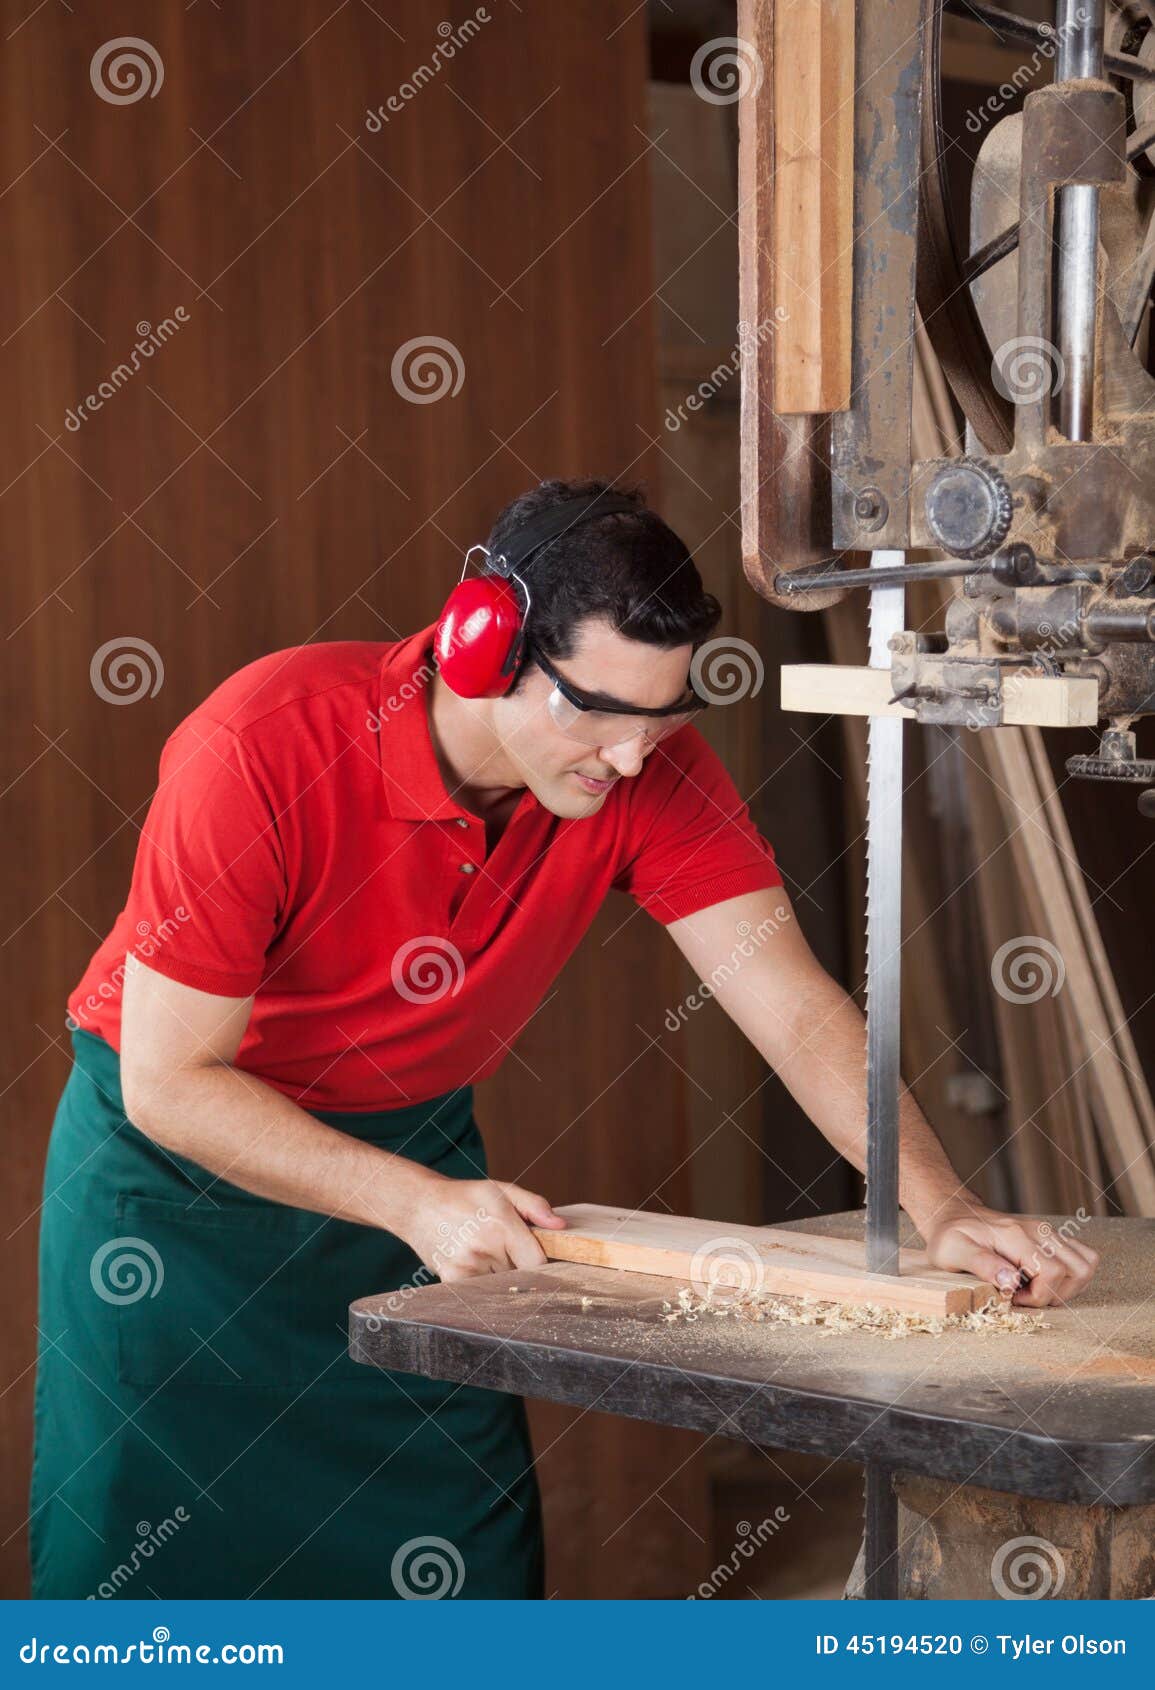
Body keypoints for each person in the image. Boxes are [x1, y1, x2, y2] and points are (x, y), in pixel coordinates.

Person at [30, 478, 1098, 1600]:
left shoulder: (644, 765)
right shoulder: (261, 745)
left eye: (662, 717)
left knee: (453, 1565)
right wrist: (415, 1203)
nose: (631, 759)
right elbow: (170, 1083)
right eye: (595, 709)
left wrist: (942, 1206)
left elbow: (787, 1000)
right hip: (178, 1201)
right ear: (482, 646)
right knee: (152, 1573)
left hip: (419, 1171)